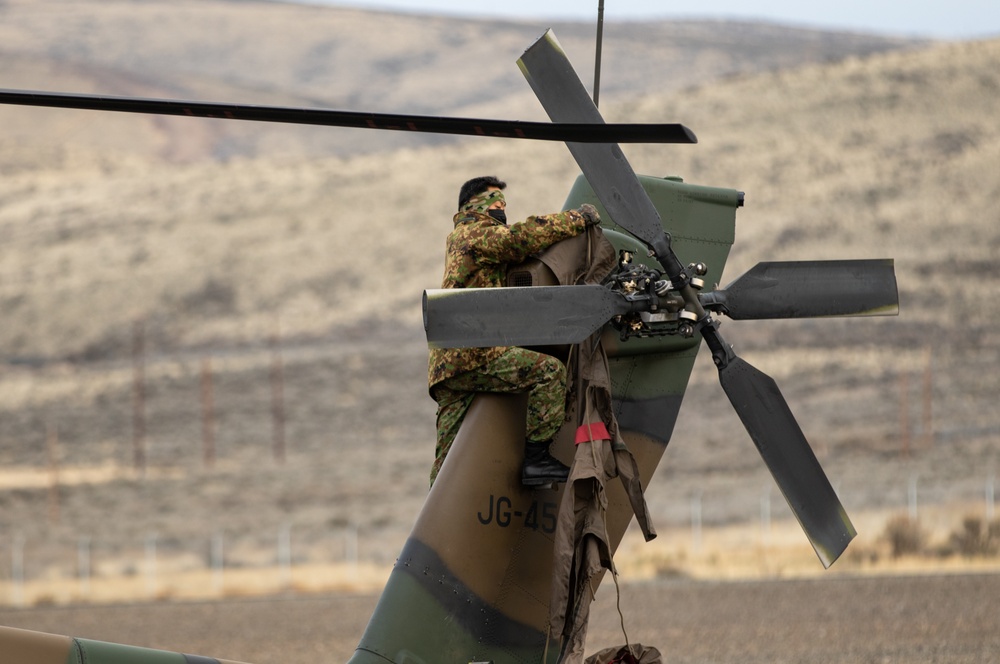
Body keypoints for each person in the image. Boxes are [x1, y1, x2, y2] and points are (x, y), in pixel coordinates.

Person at [427, 175, 600, 487]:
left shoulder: (460, 238)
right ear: (471, 204)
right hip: (474, 354)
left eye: (503, 201)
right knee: (548, 372)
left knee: (447, 461)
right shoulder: (475, 233)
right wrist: (579, 218)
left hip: (449, 365)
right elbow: (521, 238)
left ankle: (435, 510)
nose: (500, 206)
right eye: (493, 199)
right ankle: (537, 460)